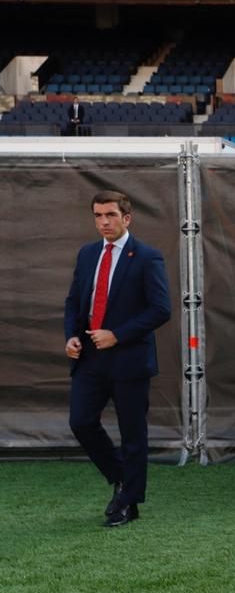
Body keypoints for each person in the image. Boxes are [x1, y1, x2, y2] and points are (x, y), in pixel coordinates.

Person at [64, 190, 171, 527]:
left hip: (129, 359)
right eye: (97, 215)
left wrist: (118, 334)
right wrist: (70, 335)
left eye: (110, 215)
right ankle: (123, 480)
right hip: (90, 356)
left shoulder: (147, 257)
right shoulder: (87, 254)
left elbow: (160, 309)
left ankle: (127, 503)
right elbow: (73, 301)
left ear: (127, 218)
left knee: (132, 434)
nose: (103, 222)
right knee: (81, 421)